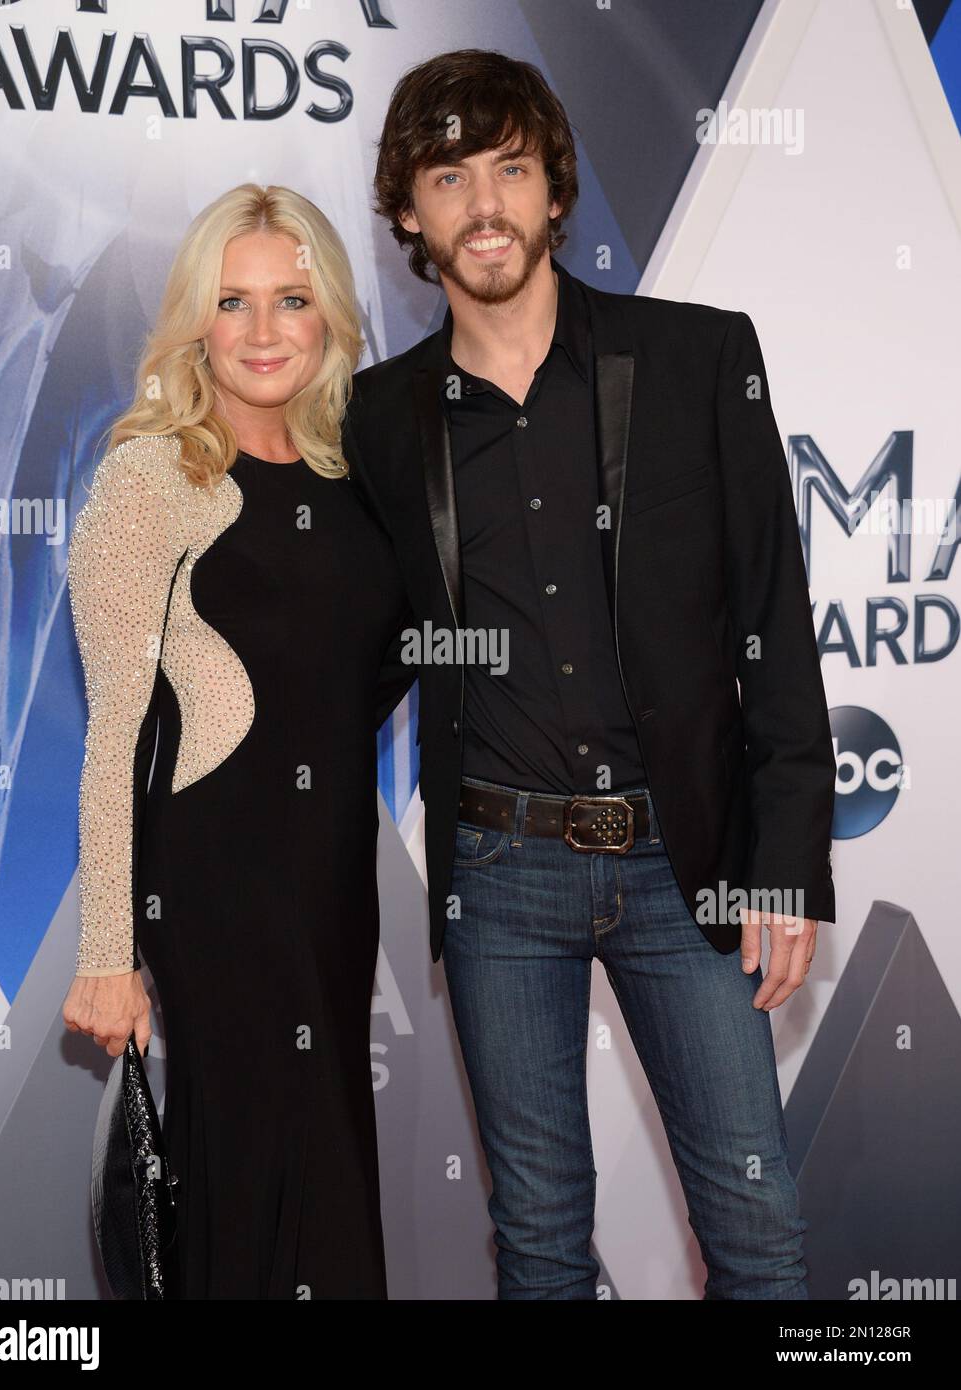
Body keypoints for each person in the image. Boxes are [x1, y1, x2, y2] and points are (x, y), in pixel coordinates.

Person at [343, 49, 836, 1300]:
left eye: (510, 168)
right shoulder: (380, 419)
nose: (484, 205)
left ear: (555, 188)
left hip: (693, 860)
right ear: (408, 211)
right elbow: (358, 642)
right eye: (448, 178)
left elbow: (771, 617)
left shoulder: (694, 358)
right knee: (543, 1244)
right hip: (500, 875)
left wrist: (784, 856)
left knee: (758, 1233)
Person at [61, 184, 412, 1300]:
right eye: (233, 302)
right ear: (195, 324)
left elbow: (364, 677)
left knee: (321, 1155)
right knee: (265, 1158)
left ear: (330, 320)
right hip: (215, 878)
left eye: (292, 300)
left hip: (329, 881)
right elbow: (114, 725)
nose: (263, 331)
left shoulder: (361, 480)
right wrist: (106, 951)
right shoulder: (149, 477)